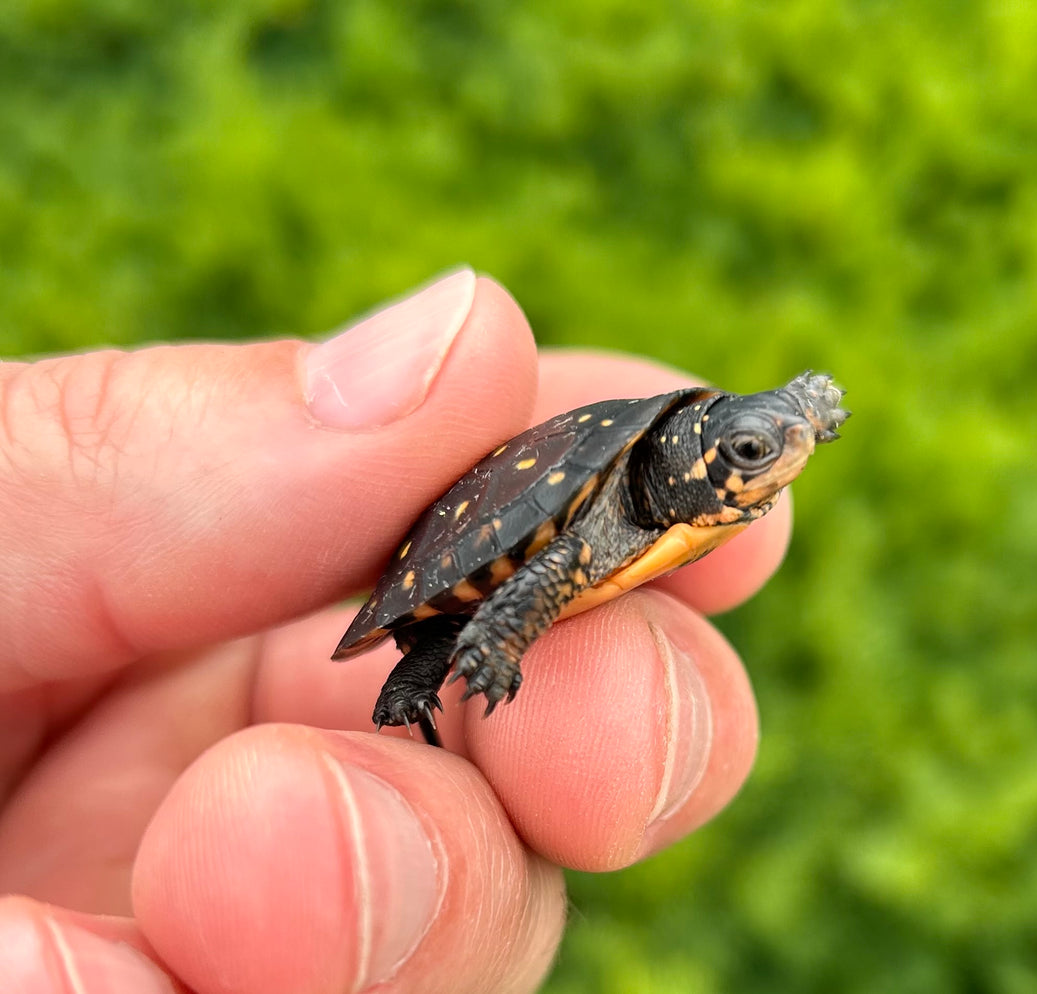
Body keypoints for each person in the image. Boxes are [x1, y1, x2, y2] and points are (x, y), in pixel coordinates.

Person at [0, 270, 788, 993]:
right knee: (507, 613)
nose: (777, 454)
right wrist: (496, 643)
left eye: (766, 442)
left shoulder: (681, 484)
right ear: (688, 464)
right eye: (751, 451)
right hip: (473, 568)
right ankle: (431, 665)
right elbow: (549, 570)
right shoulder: (608, 513)